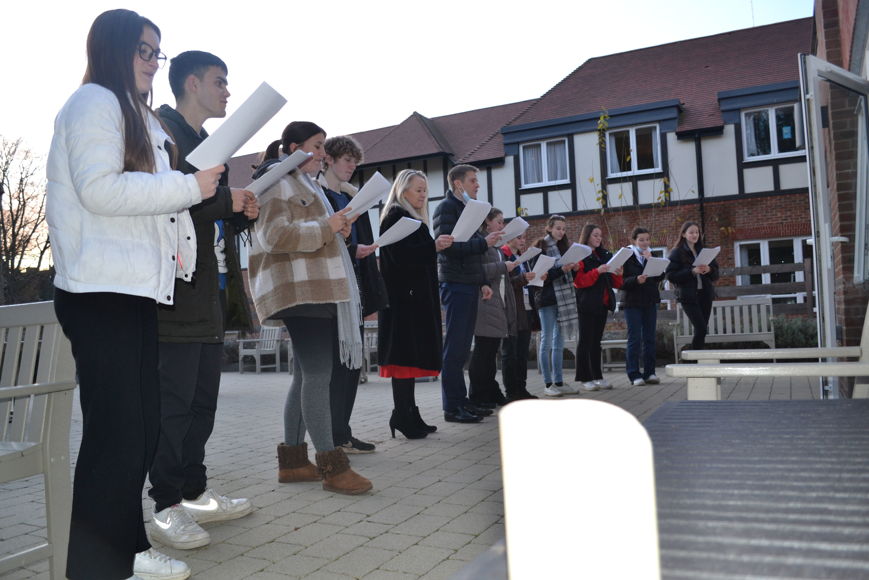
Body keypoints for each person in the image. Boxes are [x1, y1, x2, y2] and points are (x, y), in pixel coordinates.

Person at [46, 9, 224, 579]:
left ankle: (124, 546)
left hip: (130, 290)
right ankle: (97, 564)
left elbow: (144, 201)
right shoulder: (94, 102)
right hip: (100, 292)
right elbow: (101, 191)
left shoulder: (132, 112)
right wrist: (188, 186)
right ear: (113, 48)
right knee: (116, 434)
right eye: (143, 50)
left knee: (139, 430)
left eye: (156, 52)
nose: (152, 61)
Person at [147, 50, 258, 552]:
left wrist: (241, 209)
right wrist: (223, 201)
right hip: (174, 295)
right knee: (173, 408)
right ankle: (165, 506)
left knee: (202, 404)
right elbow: (162, 205)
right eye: (220, 81)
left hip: (210, 292)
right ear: (192, 83)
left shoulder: (212, 146)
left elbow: (209, 215)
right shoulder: (162, 136)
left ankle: (193, 492)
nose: (227, 91)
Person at [248, 121, 372, 495]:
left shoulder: (306, 184)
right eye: (317, 146)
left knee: (306, 376)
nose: (322, 154)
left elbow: (311, 231)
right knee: (319, 375)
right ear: (293, 148)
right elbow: (274, 236)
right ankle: (332, 467)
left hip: (315, 289)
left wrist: (337, 230)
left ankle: (293, 463)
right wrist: (327, 226)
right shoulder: (276, 179)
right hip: (301, 291)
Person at [320, 135, 386, 454]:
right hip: (332, 289)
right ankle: (331, 435)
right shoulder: (320, 196)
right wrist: (351, 246)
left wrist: (361, 249)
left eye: (355, 163)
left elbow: (353, 241)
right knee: (337, 364)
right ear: (329, 159)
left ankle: (342, 431)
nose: (351, 167)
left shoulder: (352, 198)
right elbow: (322, 241)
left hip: (354, 288)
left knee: (351, 364)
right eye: (347, 160)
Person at [377, 169, 453, 438]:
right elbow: (399, 257)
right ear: (403, 191)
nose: (423, 195)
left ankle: (409, 411)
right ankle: (402, 414)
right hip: (402, 301)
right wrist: (433, 247)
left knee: (409, 358)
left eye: (425, 190)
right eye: (418, 190)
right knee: (403, 358)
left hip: (413, 299)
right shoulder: (395, 216)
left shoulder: (410, 218)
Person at [432, 164, 501, 422]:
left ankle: (463, 402)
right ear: (458, 184)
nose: (477, 185)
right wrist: (483, 242)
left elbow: (472, 253)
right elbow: (448, 248)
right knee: (455, 347)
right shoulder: (446, 208)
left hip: (469, 282)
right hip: (455, 283)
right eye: (473, 180)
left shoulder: (468, 209)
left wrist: (483, 281)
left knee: (463, 347)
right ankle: (452, 407)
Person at [468, 208, 518, 407]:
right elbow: (477, 271)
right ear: (487, 223)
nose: (502, 225)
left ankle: (489, 392)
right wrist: (503, 267)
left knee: (490, 354)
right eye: (498, 221)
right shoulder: (481, 244)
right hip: (485, 303)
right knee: (483, 352)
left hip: (497, 303)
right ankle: (478, 395)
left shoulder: (496, 248)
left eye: (503, 222)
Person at [532, 215, 580, 397]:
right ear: (549, 228)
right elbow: (540, 276)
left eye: (563, 229)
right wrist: (561, 270)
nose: (561, 232)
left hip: (564, 299)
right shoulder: (541, 246)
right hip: (547, 299)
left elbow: (568, 278)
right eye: (558, 228)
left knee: (559, 343)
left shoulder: (564, 247)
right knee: (546, 341)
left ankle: (559, 381)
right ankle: (547, 383)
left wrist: (574, 270)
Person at [573, 224, 623, 391]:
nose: (598, 238)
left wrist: (619, 274)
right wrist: (597, 271)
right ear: (587, 236)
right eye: (595, 235)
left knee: (596, 342)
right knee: (585, 341)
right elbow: (579, 282)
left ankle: (597, 376)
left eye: (600, 235)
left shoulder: (605, 255)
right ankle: (585, 378)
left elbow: (615, 283)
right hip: (586, 303)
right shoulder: (581, 255)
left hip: (602, 303)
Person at [666, 221, 719, 353]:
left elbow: (716, 274)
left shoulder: (704, 250)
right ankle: (693, 359)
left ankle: (697, 358)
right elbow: (671, 275)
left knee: (702, 329)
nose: (695, 235)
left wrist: (709, 269)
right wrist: (692, 272)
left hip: (705, 295)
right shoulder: (677, 252)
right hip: (688, 296)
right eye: (691, 232)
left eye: (697, 232)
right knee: (701, 328)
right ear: (684, 234)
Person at [500, 229, 539, 402]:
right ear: (509, 238)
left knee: (522, 352)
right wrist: (524, 278)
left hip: (526, 308)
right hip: (512, 309)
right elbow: (504, 284)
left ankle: (521, 389)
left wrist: (537, 277)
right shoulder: (503, 256)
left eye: (524, 237)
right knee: (510, 353)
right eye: (519, 237)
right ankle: (511, 391)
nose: (523, 241)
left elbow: (526, 282)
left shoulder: (522, 258)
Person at [620, 227, 663, 386]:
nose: (645, 243)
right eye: (641, 240)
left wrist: (651, 260)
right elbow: (620, 282)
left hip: (650, 301)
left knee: (649, 338)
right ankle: (634, 374)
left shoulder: (652, 255)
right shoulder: (626, 256)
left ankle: (650, 373)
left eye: (647, 239)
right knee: (635, 338)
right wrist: (636, 280)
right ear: (634, 241)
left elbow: (660, 276)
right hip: (632, 302)